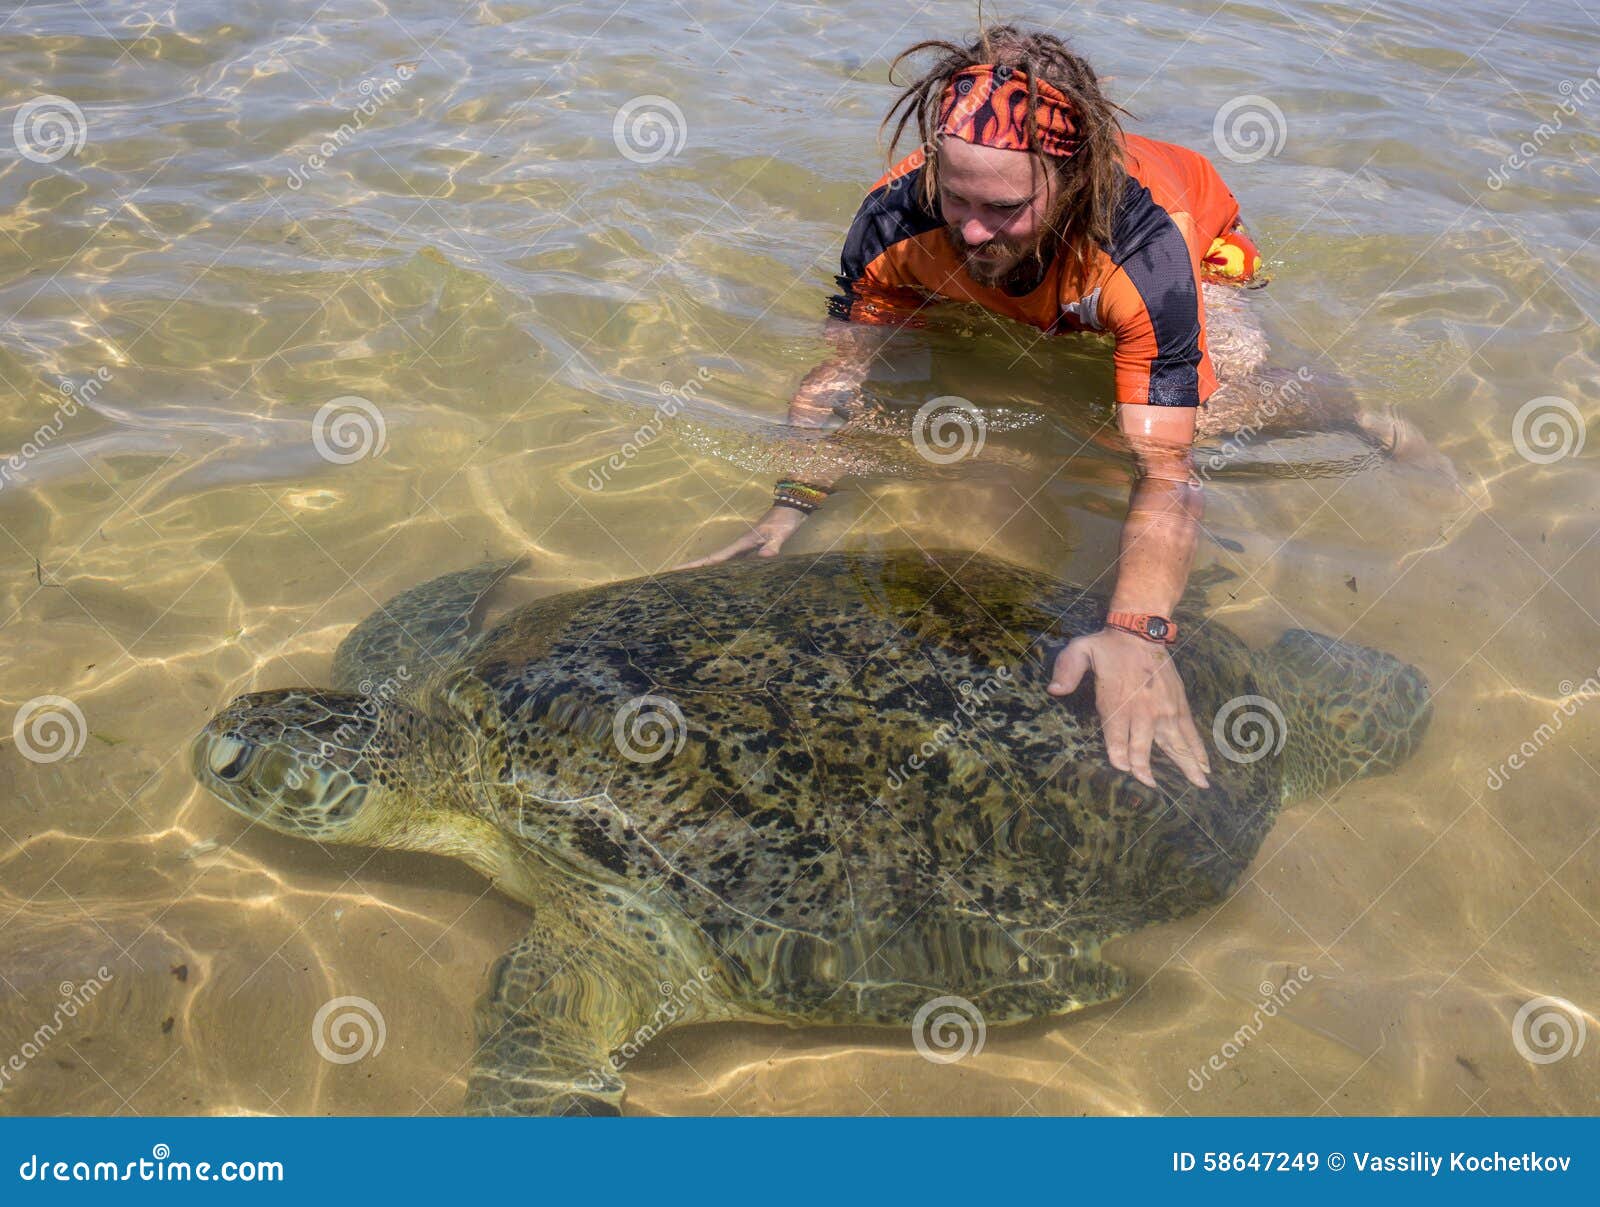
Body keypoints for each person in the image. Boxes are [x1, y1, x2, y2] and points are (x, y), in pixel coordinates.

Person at [678, 26, 1301, 794]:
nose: (970, 229)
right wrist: (790, 504)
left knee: (1211, 414)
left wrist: (1137, 631)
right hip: (1046, 275)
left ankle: (1360, 414)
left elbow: (1168, 471)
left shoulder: (1146, 252)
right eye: (956, 195)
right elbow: (838, 382)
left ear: (1071, 185)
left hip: (1192, 253)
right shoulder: (895, 220)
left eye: (1003, 206)